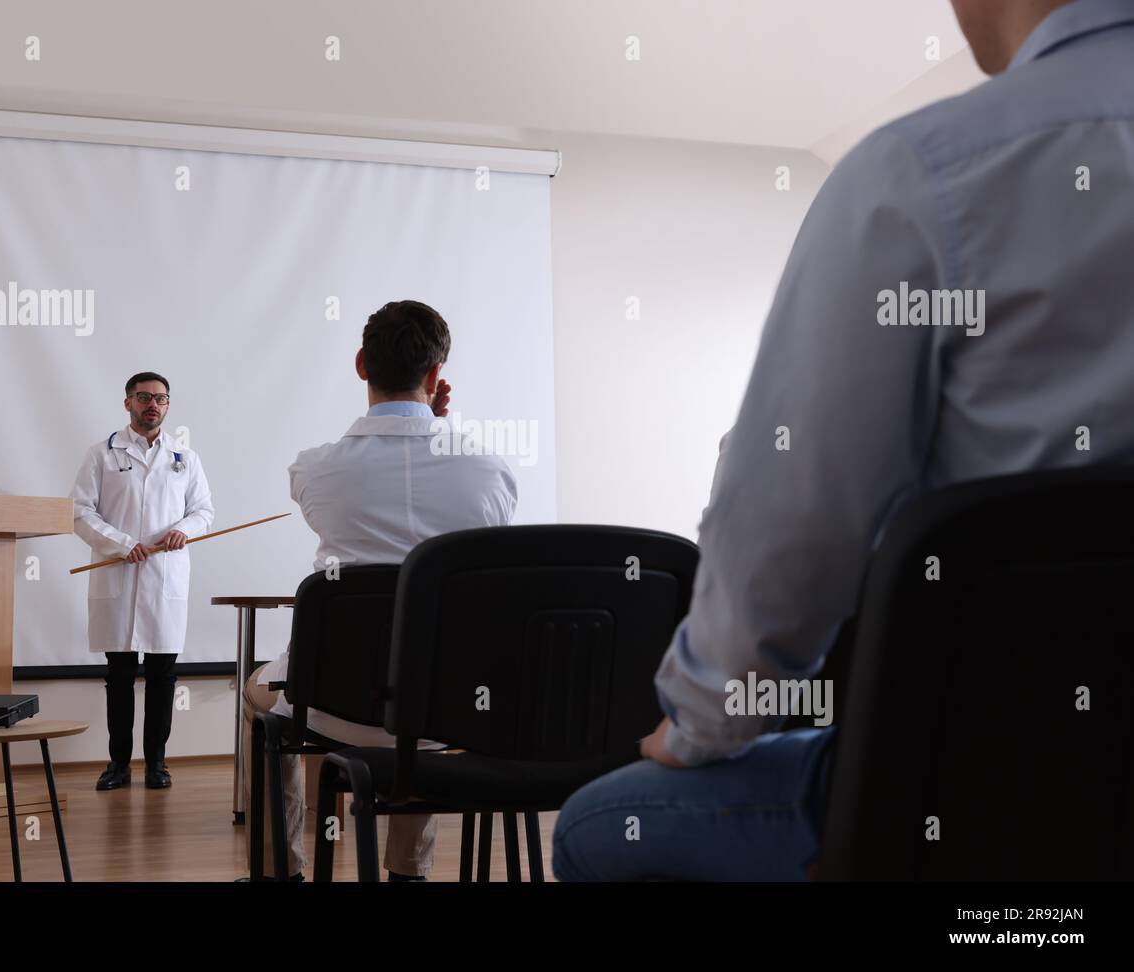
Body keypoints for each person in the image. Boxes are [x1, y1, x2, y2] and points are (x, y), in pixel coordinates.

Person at [554, 0, 1134, 880]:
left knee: (602, 825)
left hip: (990, 790)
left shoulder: (922, 174)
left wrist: (701, 720)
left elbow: (792, 538)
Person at [243, 300, 518, 880]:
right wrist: (438, 427)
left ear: (361, 364)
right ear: (437, 376)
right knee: (420, 699)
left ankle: (282, 871)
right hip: (447, 705)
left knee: (258, 693)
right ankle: (407, 873)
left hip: (331, 703)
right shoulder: (491, 471)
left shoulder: (313, 468)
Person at [71, 372, 214, 791]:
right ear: (128, 402)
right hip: (118, 573)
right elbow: (80, 512)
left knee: (162, 677)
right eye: (145, 397)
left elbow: (204, 511)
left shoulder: (184, 457)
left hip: (163, 577)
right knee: (118, 677)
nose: (153, 404)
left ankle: (157, 764)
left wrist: (183, 531)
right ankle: (118, 764)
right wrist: (120, 544)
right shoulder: (102, 453)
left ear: (168, 406)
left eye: (161, 399)